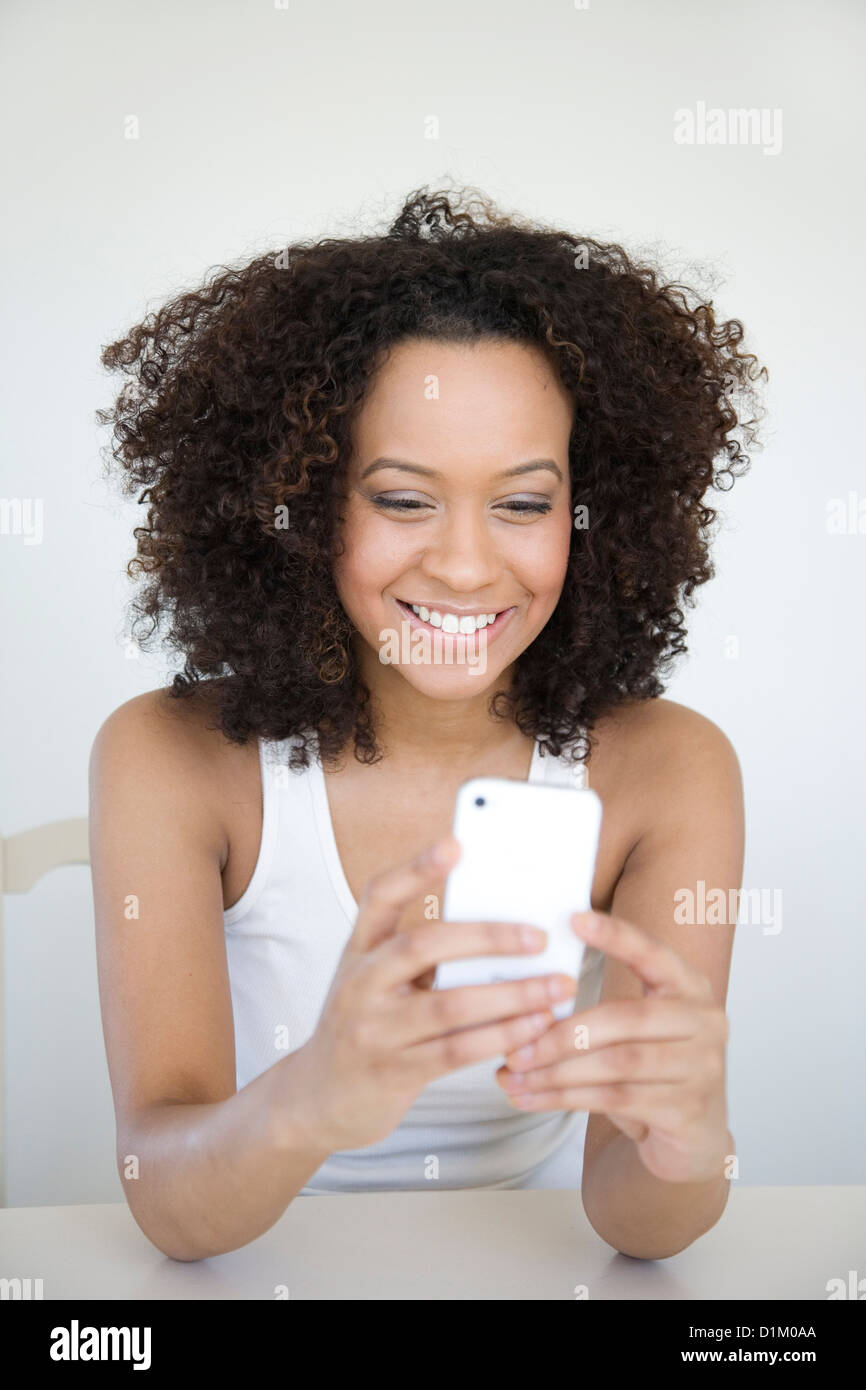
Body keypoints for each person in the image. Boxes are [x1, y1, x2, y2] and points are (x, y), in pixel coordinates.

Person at [90, 186, 765, 1262]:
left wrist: (689, 1136)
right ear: (303, 506)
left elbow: (637, 1226)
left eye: (523, 502)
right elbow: (167, 1206)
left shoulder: (668, 769)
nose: (462, 565)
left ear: (593, 515)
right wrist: (313, 1093)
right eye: (403, 499)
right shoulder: (171, 759)